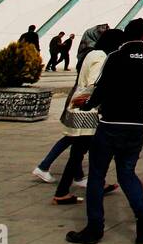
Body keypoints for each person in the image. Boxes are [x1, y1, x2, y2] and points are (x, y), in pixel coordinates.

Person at [67, 17, 143, 244]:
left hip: (111, 124)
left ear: (126, 35)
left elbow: (102, 88)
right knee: (126, 172)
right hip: (136, 127)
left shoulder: (116, 57)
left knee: (97, 175)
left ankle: (94, 228)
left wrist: (88, 104)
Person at [48, 28, 124, 203]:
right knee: (84, 151)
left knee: (80, 151)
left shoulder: (92, 53)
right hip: (88, 109)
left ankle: (90, 185)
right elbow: (94, 83)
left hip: (80, 104)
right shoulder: (101, 57)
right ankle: (63, 192)